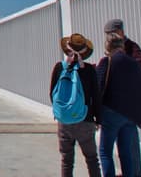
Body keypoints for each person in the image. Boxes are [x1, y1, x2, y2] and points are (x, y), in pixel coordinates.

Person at [96, 32, 141, 177]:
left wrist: (96, 115)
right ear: (122, 46)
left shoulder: (106, 62)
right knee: (126, 152)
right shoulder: (135, 64)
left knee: (105, 152)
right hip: (130, 116)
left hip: (111, 114)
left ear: (107, 46)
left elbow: (98, 87)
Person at [50, 33, 102, 177]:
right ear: (84, 52)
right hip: (85, 120)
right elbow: (96, 97)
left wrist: (62, 111)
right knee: (92, 159)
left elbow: (52, 94)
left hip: (64, 121)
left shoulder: (59, 68)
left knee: (66, 160)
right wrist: (98, 119)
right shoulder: (89, 70)